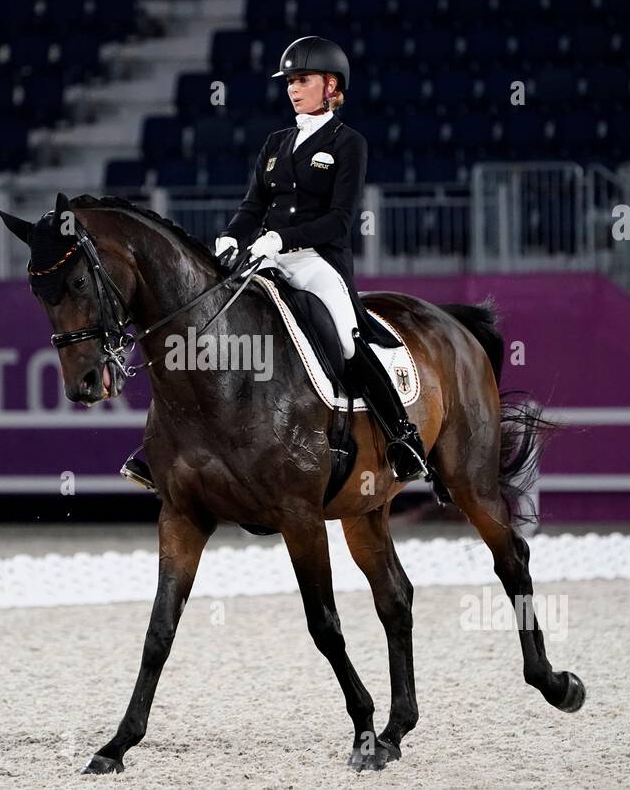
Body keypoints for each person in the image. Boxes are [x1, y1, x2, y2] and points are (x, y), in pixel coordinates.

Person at [122, 35, 429, 491]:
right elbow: (253, 205)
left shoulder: (349, 144)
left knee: (347, 339)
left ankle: (402, 438)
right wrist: (232, 235)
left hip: (316, 260)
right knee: (205, 325)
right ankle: (162, 445)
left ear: (331, 85)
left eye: (302, 80)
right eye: (289, 81)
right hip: (263, 256)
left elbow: (340, 221)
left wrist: (282, 238)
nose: (292, 88)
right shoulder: (275, 142)